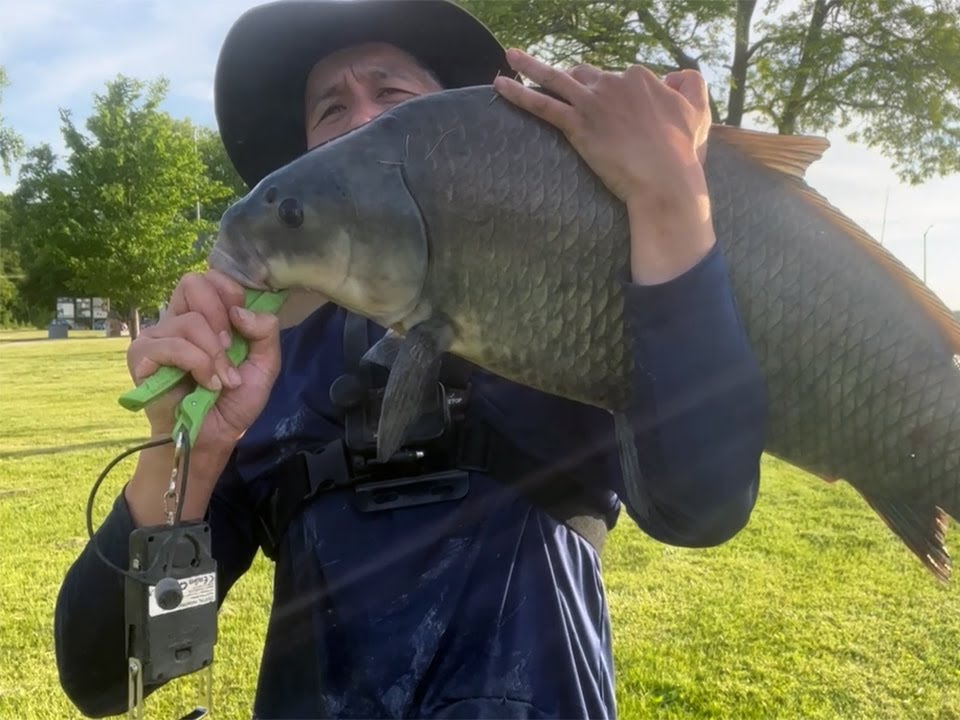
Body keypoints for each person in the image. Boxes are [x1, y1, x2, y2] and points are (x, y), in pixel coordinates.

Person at [53, 1, 768, 717]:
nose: (364, 119)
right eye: (330, 109)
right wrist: (184, 458)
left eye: (393, 95)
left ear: (460, 132)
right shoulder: (266, 376)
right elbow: (111, 677)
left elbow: (701, 507)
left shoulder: (566, 316)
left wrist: (672, 206)